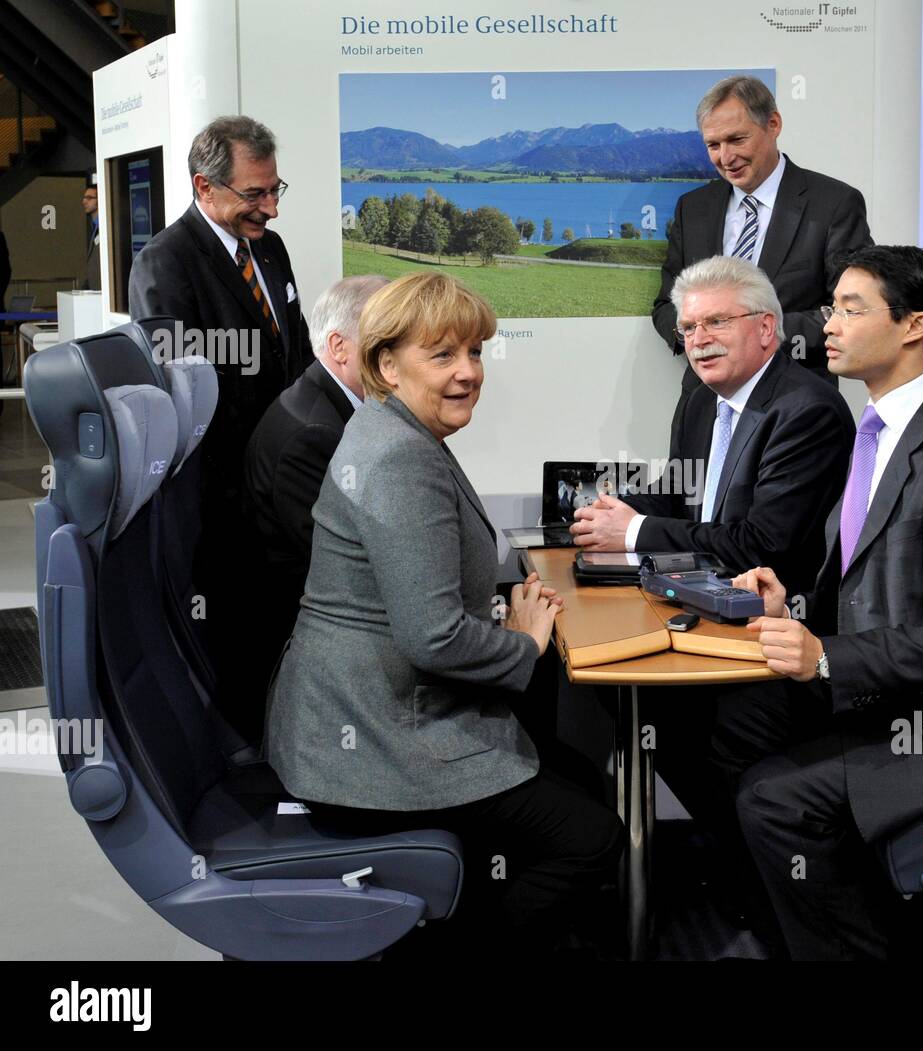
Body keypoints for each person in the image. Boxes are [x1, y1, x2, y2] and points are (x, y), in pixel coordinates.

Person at [711, 246, 923, 959]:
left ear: (914, 325)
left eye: (849, 307)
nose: (826, 323)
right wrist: (792, 610)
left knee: (774, 801)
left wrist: (824, 657)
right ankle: (794, 925)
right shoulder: (875, 430)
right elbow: (864, 582)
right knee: (725, 728)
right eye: (831, 306)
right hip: (892, 692)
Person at [265, 272, 621, 955]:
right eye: (444, 355)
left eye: (475, 353)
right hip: (370, 737)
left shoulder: (390, 428)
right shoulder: (400, 457)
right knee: (591, 837)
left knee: (576, 775)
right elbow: (432, 637)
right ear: (387, 364)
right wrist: (524, 642)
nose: (468, 373)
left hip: (359, 713)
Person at [128, 115, 313, 742]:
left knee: (284, 651)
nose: (271, 209)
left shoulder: (270, 248)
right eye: (254, 195)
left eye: (275, 189)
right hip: (224, 514)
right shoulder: (166, 265)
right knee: (238, 658)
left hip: (287, 496)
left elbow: (297, 357)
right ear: (204, 187)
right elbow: (182, 403)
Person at [574, 256, 854, 595]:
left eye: (716, 321)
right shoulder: (701, 400)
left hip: (772, 620)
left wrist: (634, 530)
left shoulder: (808, 411)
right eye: (689, 328)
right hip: (698, 596)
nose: (699, 340)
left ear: (766, 328)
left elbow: (763, 547)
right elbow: (677, 493)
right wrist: (608, 511)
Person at [652, 75, 871, 428]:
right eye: (713, 145)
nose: (726, 157)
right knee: (688, 487)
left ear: (773, 124)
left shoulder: (833, 204)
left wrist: (756, 335)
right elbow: (665, 307)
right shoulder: (692, 208)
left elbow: (853, 309)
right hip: (703, 411)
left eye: (737, 139)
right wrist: (695, 334)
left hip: (798, 408)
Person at [243, 274, 388, 693]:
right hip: (320, 656)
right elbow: (341, 566)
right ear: (339, 347)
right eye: (386, 342)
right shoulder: (314, 434)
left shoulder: (327, 404)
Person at [83, 185, 100, 291]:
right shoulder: (94, 227)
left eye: (89, 198)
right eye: (84, 198)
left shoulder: (107, 227)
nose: (84, 201)